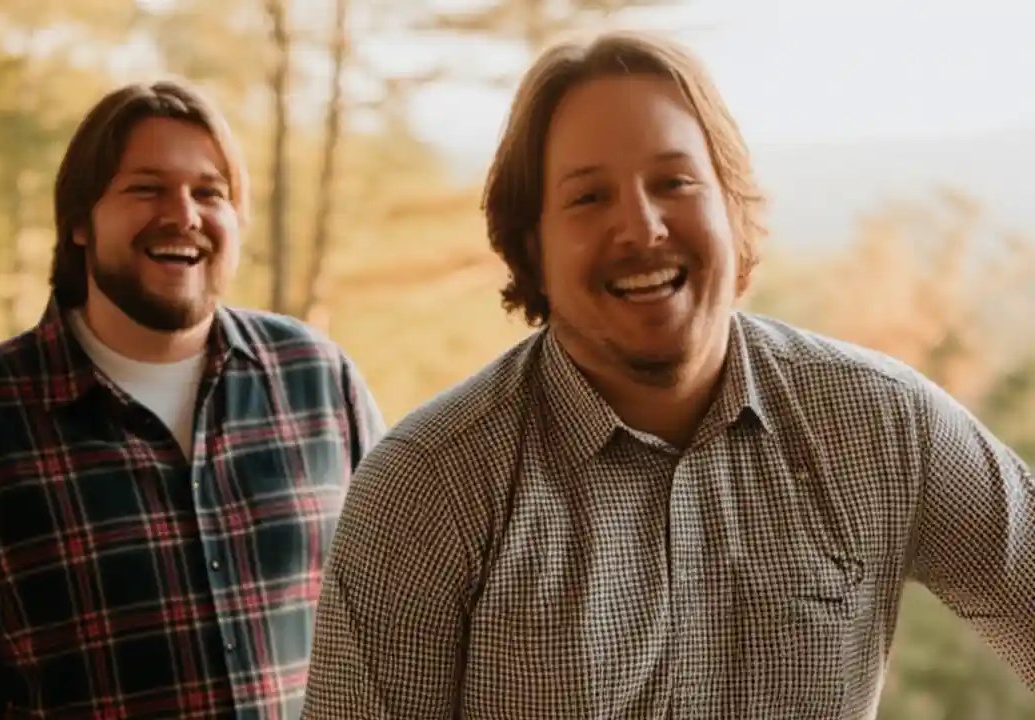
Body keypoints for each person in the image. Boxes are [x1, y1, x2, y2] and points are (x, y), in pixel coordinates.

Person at [302, 29, 1034, 719]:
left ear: (733, 209)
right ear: (534, 247)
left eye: (675, 181)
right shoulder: (429, 488)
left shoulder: (882, 425)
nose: (643, 227)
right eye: (589, 197)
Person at [0, 79, 385, 718]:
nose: (184, 215)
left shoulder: (317, 378)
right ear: (80, 221)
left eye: (209, 193)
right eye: (146, 188)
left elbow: (394, 614)